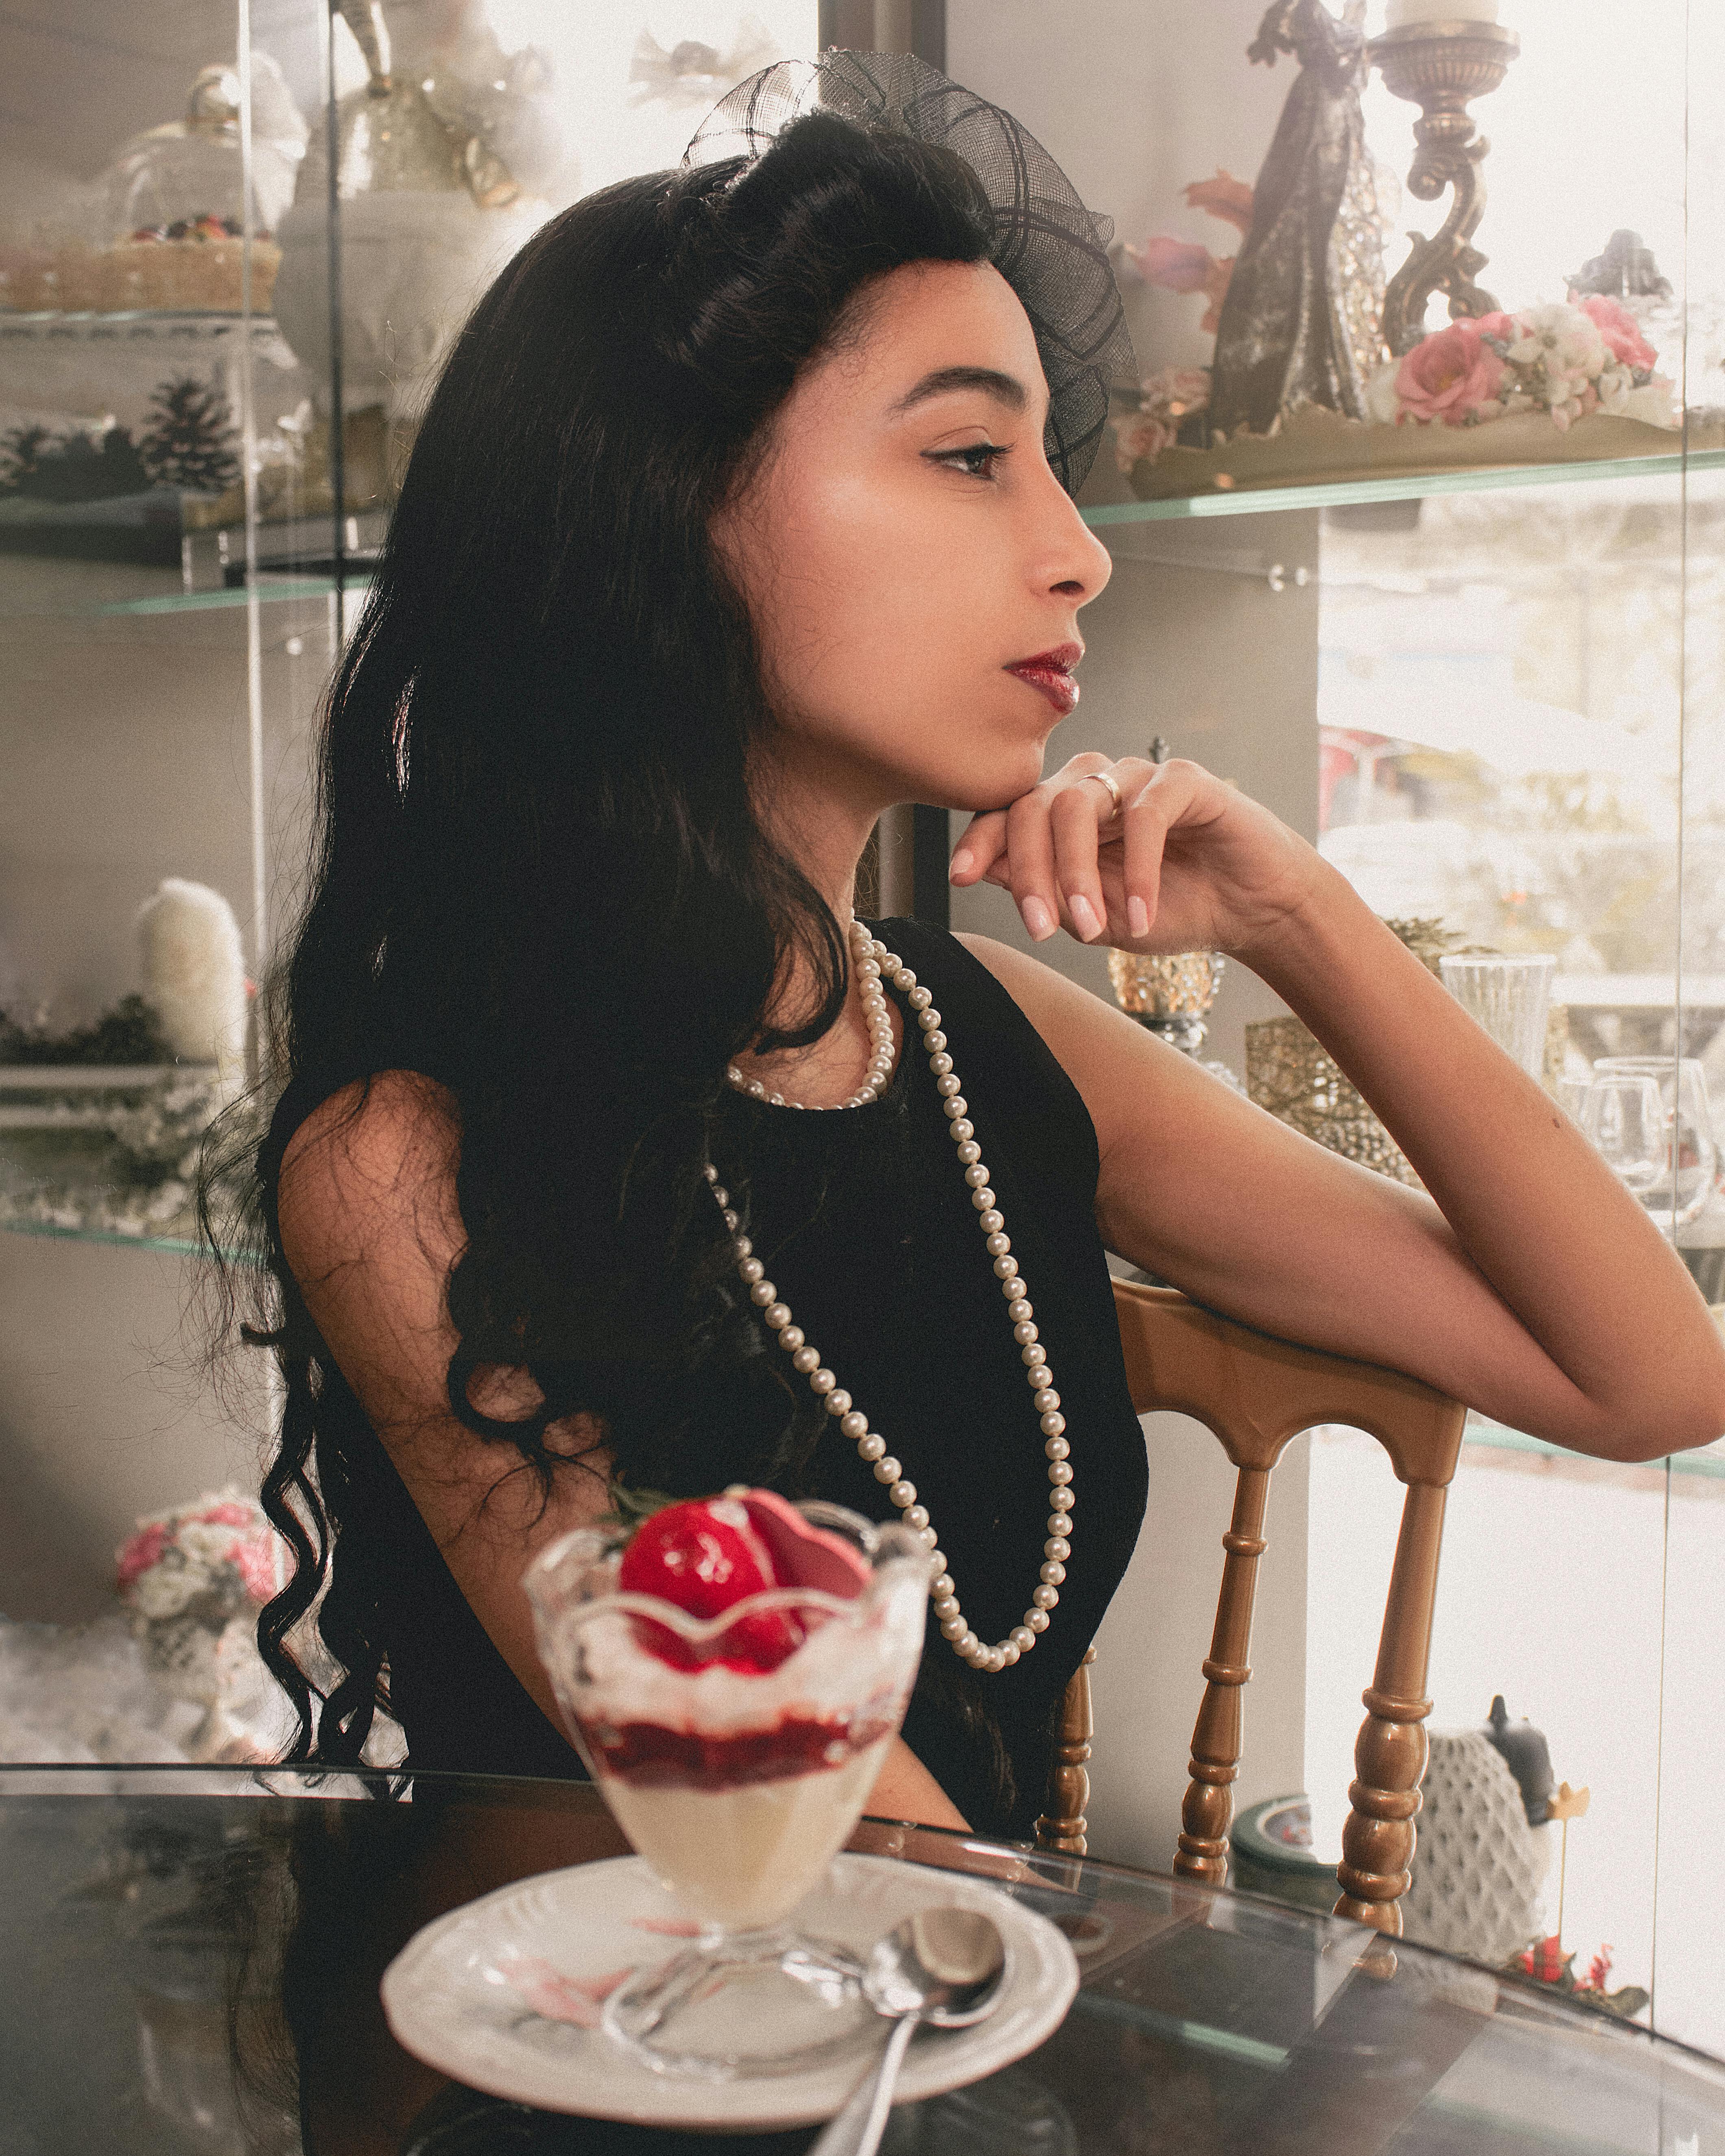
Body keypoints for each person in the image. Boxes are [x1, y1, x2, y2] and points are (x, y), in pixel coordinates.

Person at [227, 55, 1725, 1844]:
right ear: (660, 506)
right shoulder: (407, 1161)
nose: (1078, 552)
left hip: (967, 2046)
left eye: (1052, 468)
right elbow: (826, 1835)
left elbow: (1648, 1377)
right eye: (966, 457)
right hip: (629, 2076)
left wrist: (1292, 915)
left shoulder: (975, 1034)